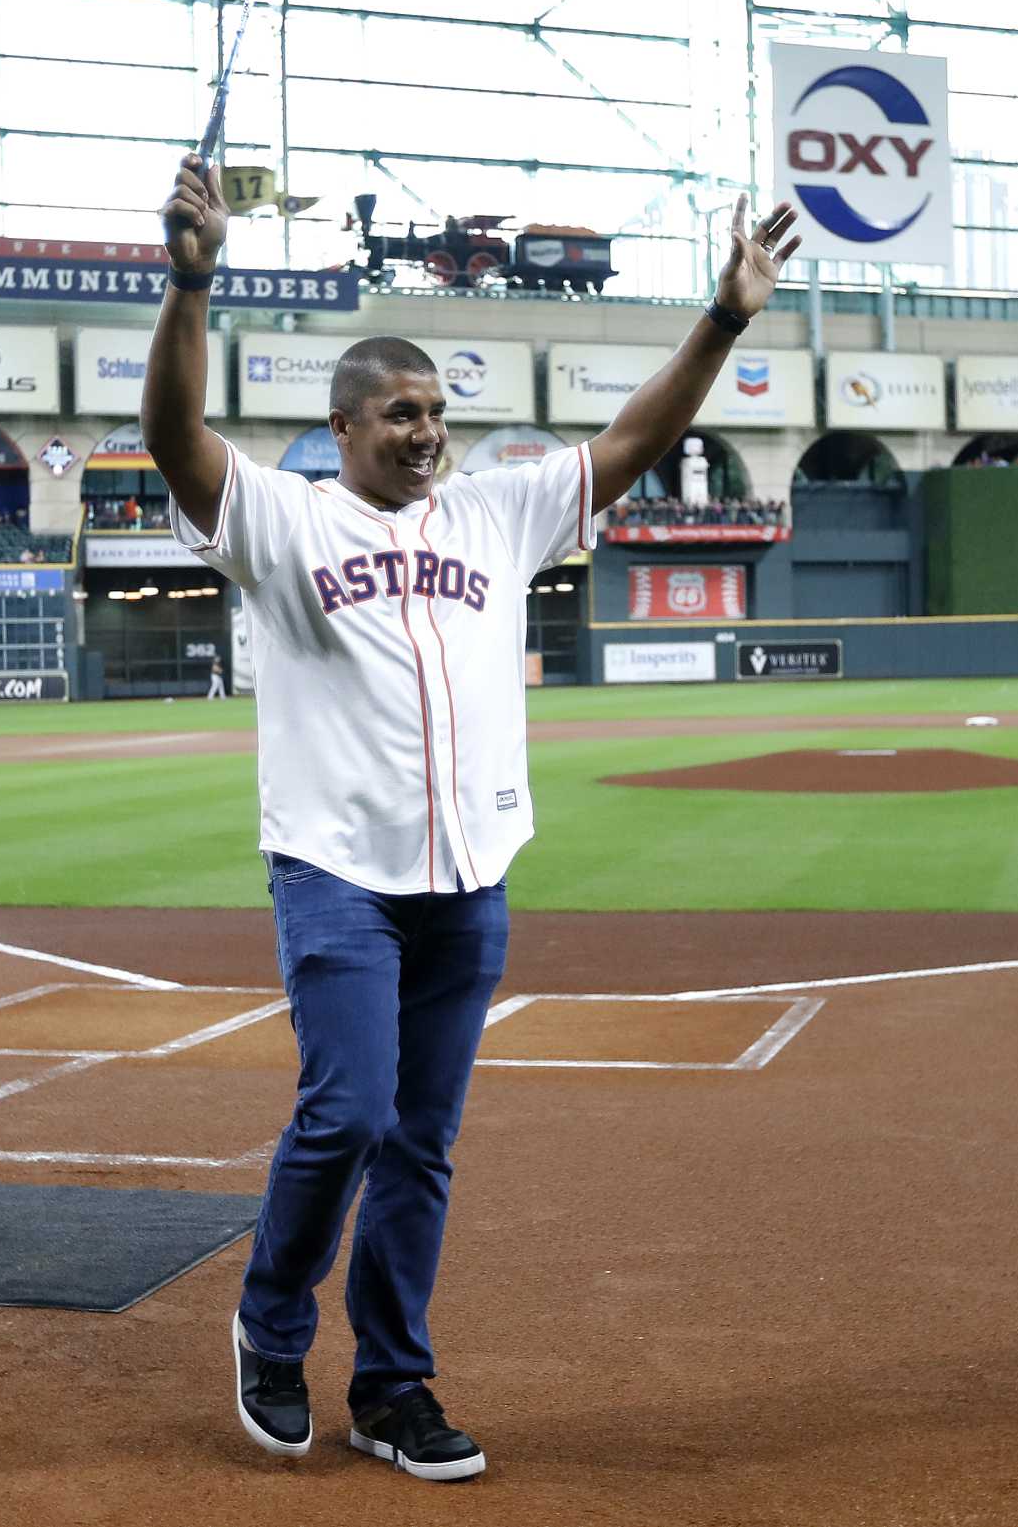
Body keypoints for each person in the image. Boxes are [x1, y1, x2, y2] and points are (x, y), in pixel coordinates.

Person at [144, 153, 800, 1482]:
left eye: (437, 410)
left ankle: (392, 1385)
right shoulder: (284, 521)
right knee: (349, 1109)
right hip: (336, 870)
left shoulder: (497, 514)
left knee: (422, 1143)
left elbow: (631, 444)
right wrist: (191, 286)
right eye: (401, 411)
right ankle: (272, 1326)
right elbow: (174, 436)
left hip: (469, 879)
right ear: (343, 426)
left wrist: (722, 321)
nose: (426, 430)